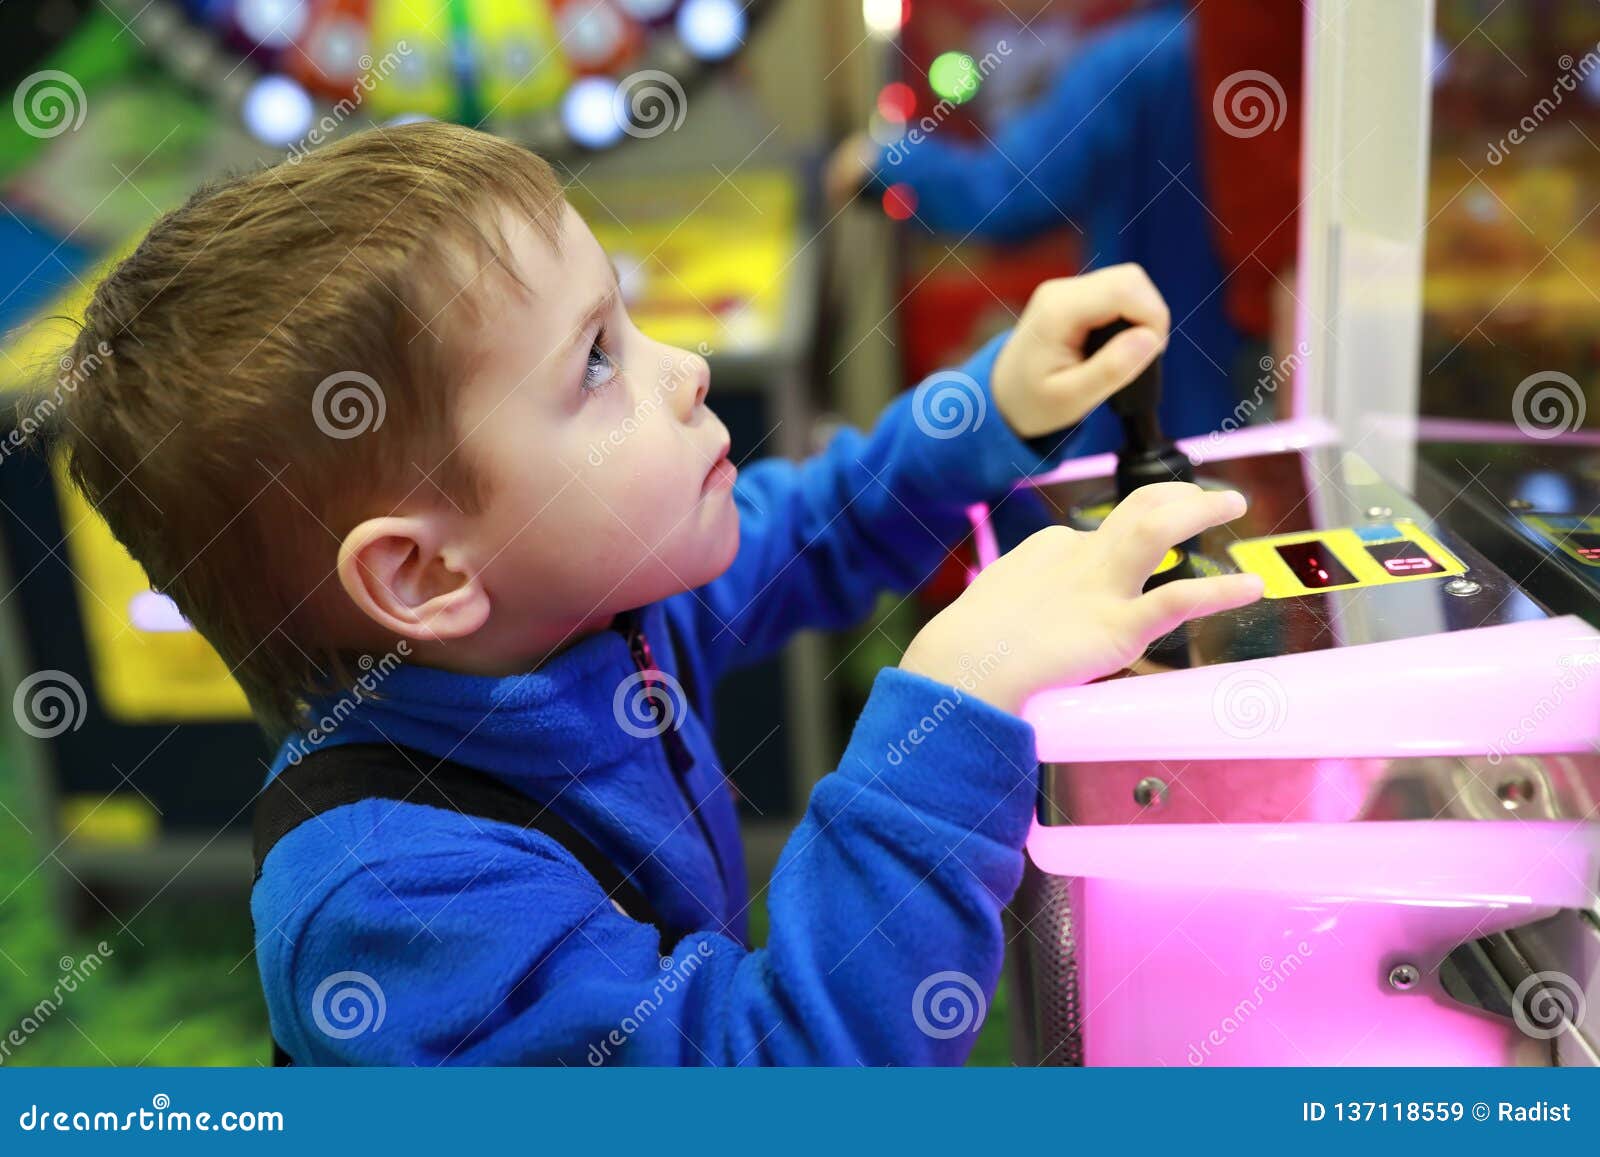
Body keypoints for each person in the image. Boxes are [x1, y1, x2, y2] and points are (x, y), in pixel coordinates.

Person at [47, 120, 1260, 1065]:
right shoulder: (391, 901)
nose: (681, 371)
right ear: (423, 572)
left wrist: (986, 411)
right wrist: (949, 708)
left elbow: (808, 531)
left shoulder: (587, 618)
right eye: (594, 363)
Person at [829, 3, 1300, 445]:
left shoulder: (1133, 61)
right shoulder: (1293, 62)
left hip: (1159, 386)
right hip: (1267, 364)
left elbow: (1006, 194)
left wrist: (884, 160)